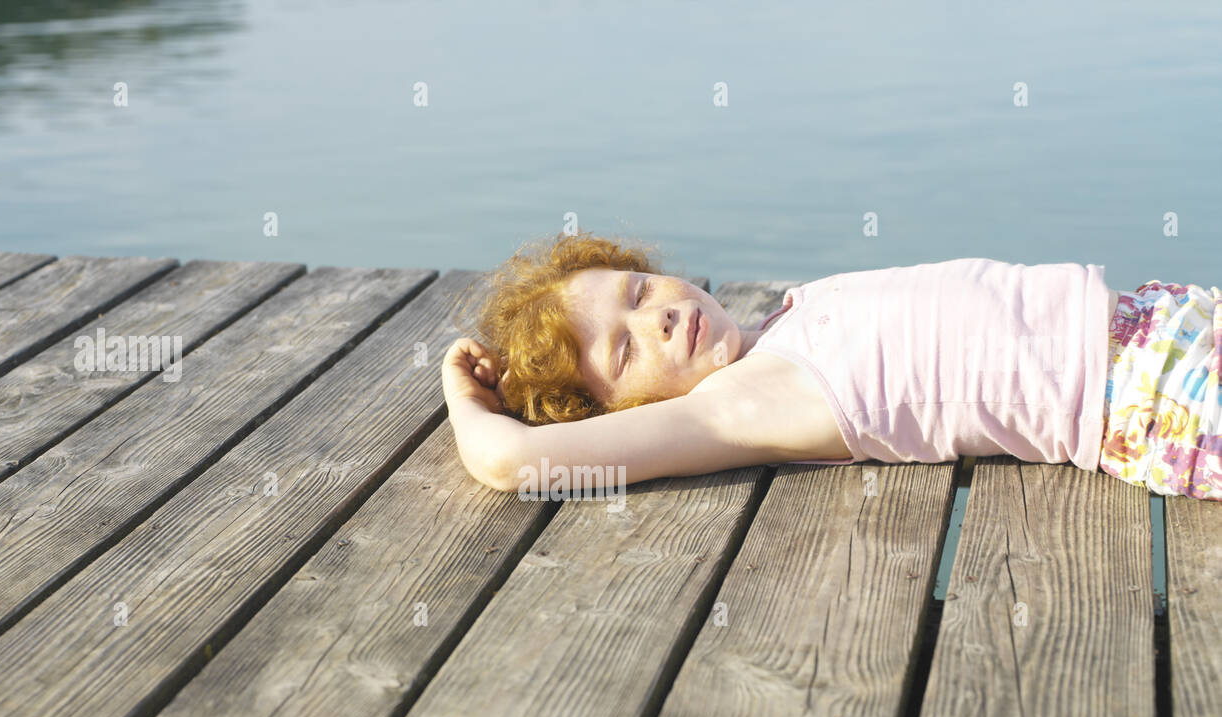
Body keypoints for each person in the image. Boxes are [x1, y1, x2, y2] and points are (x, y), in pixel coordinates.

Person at [442, 231, 1221, 501]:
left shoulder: (779, 325)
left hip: (1159, 317)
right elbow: (511, 463)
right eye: (626, 347)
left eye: (641, 291)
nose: (661, 316)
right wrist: (463, 394)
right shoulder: (738, 405)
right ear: (624, 414)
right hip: (1152, 396)